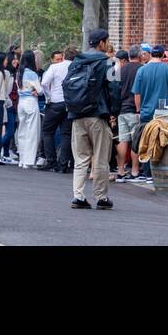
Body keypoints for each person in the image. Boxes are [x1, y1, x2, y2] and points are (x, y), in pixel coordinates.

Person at [68, 29, 116, 210]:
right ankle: (101, 197)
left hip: (77, 115)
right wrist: (113, 112)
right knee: (101, 158)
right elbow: (115, 89)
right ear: (102, 43)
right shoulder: (109, 62)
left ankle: (78, 196)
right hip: (98, 115)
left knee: (80, 158)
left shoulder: (75, 62)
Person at [131, 43, 168, 184]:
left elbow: (137, 94)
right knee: (162, 141)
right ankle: (160, 171)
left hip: (145, 112)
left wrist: (138, 110)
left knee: (146, 141)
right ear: (164, 55)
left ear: (151, 54)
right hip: (163, 113)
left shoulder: (141, 70)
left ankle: (147, 173)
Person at [39, 46, 76, 173]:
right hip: (69, 104)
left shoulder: (55, 67)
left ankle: (51, 161)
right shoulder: (76, 67)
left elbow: (44, 83)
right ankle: (63, 164)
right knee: (66, 134)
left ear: (64, 56)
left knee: (47, 131)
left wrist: (48, 97)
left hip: (55, 102)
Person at [115, 45, 142, 182]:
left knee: (123, 140)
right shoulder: (142, 69)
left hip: (121, 109)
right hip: (135, 109)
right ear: (140, 55)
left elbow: (115, 89)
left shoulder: (121, 69)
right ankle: (135, 171)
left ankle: (120, 170)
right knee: (135, 141)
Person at [14, 51, 43, 169]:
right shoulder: (32, 74)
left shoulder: (18, 73)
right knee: (32, 132)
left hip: (21, 103)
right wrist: (36, 91)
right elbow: (40, 90)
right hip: (31, 102)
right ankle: (28, 161)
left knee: (22, 131)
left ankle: (21, 159)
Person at [0, 51, 21, 163]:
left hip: (15, 105)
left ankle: (6, 154)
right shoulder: (7, 73)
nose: (16, 61)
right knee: (10, 131)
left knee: (11, 130)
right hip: (9, 105)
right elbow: (5, 91)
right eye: (14, 58)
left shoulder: (15, 73)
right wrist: (9, 103)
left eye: (17, 59)